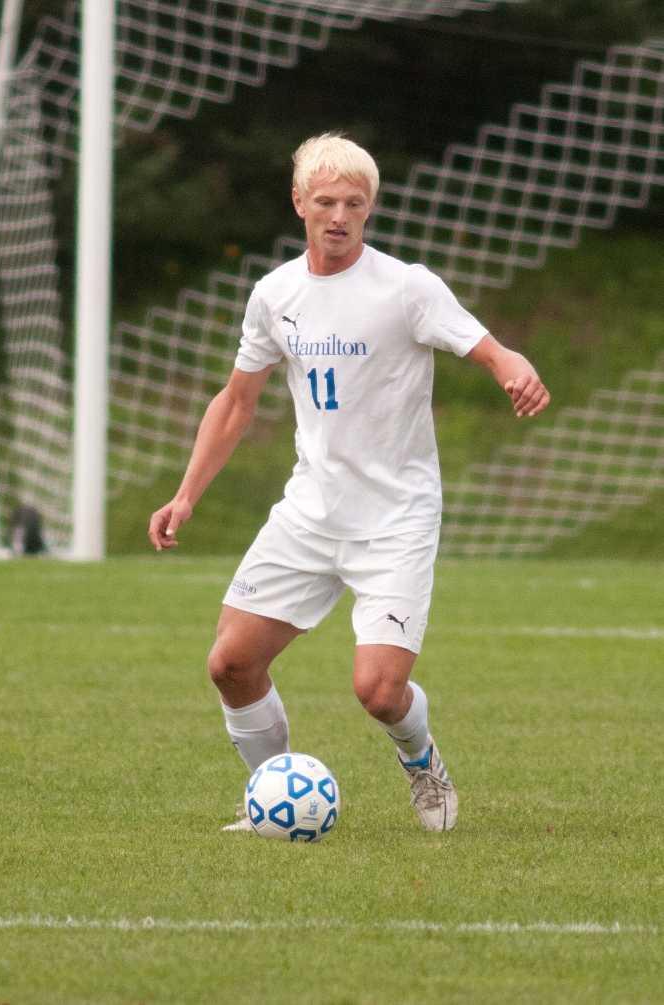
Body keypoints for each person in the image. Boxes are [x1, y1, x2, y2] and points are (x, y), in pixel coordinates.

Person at [149, 133, 550, 832]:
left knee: (379, 691)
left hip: (395, 517)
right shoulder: (275, 294)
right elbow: (237, 402)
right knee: (231, 663)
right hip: (312, 510)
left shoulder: (406, 287)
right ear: (300, 202)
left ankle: (421, 760)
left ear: (369, 210)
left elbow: (489, 346)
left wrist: (513, 369)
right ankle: (274, 796)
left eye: (354, 204)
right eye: (326, 201)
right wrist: (186, 493)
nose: (339, 215)